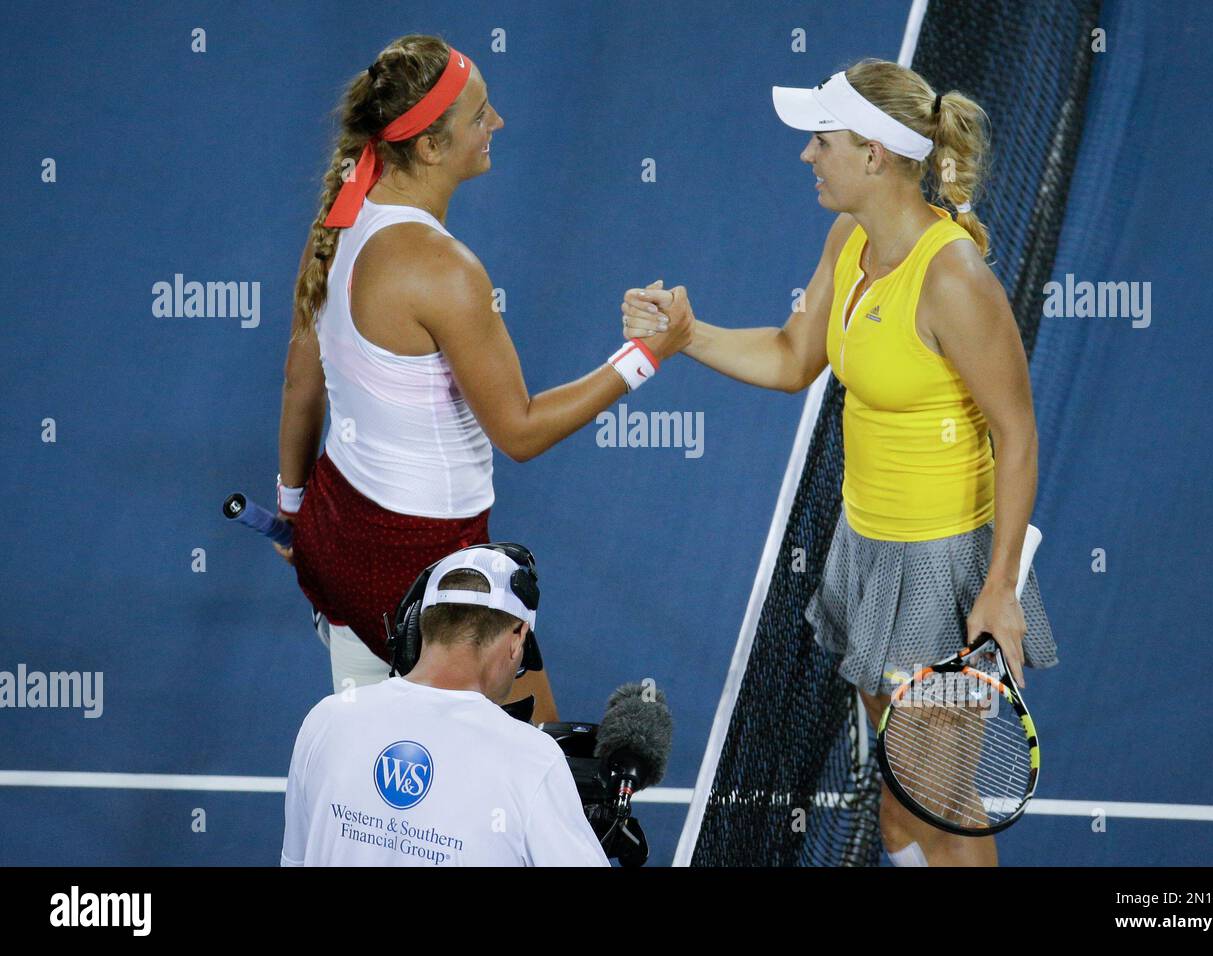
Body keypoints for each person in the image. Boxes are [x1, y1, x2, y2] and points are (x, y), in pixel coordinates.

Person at [620, 60, 1058, 866]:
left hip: (945, 570)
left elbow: (1018, 434)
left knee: (941, 808)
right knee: (897, 814)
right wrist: (686, 336)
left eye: (821, 140)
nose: (806, 155)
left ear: (874, 155)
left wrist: (998, 590)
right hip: (867, 554)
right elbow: (793, 358)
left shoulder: (954, 278)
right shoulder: (850, 238)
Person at [274, 34, 691, 711]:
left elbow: (301, 382)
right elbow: (520, 431)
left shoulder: (342, 216)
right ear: (431, 147)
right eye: (479, 115)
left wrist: (292, 510)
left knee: (387, 766)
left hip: (336, 537)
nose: (496, 123)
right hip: (427, 567)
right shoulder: (445, 271)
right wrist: (647, 355)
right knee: (534, 767)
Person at [281, 544, 610, 867]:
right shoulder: (533, 758)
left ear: (416, 628)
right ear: (516, 640)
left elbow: (296, 859)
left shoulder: (325, 721)